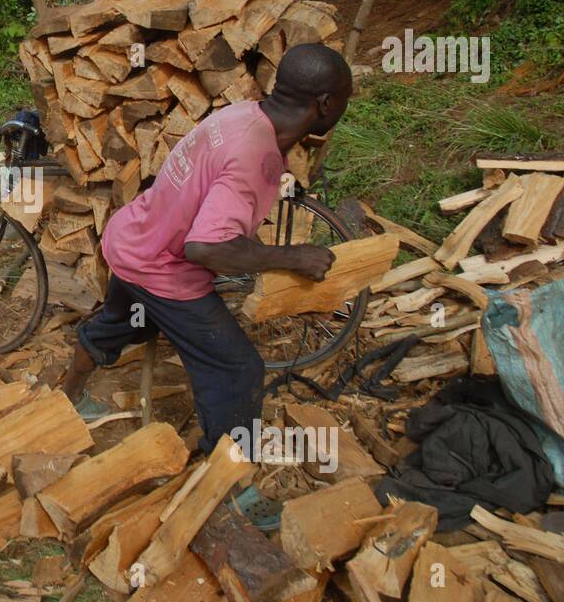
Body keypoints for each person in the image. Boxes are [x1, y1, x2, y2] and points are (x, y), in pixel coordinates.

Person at [61, 43, 355, 451]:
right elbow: (205, 247)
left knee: (126, 321)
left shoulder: (243, 115)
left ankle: (67, 395)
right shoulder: (254, 153)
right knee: (238, 370)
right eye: (344, 99)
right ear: (324, 104)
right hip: (163, 267)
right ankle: (228, 481)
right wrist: (290, 256)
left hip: (132, 239)